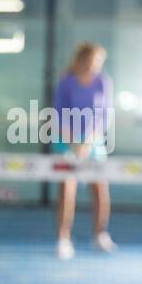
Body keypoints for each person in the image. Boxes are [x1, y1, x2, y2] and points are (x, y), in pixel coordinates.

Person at [53, 41, 117, 260]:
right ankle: (63, 239)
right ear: (81, 60)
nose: (95, 66)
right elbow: (58, 112)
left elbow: (105, 115)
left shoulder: (103, 82)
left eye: (98, 62)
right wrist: (72, 142)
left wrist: (88, 141)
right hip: (65, 141)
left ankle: (100, 234)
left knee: (100, 189)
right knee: (67, 190)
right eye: (91, 61)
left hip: (94, 142)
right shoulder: (66, 82)